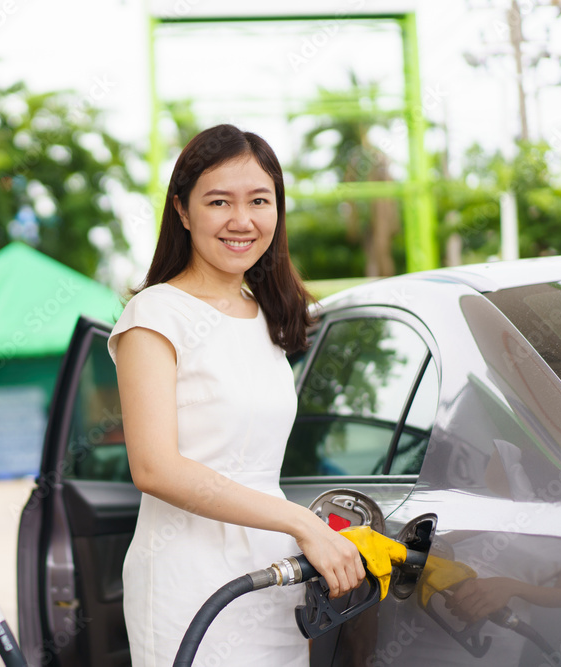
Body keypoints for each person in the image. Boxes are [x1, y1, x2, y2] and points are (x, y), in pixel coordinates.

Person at [107, 124, 365, 666]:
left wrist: (301, 533)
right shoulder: (154, 314)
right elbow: (155, 468)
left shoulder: (265, 314)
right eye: (219, 201)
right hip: (188, 579)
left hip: (273, 575)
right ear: (182, 209)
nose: (242, 220)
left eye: (259, 201)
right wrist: (302, 523)